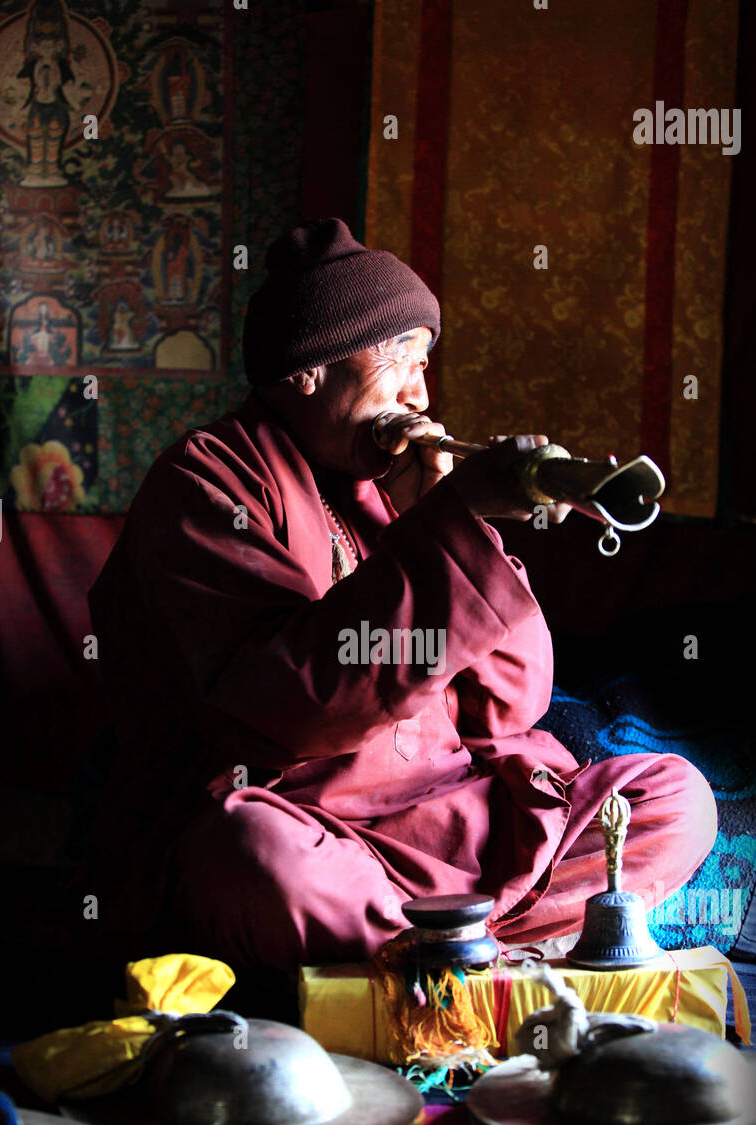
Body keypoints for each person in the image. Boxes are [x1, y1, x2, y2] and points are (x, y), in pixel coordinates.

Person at [86, 218, 717, 975]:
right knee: (250, 859)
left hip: (449, 816)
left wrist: (446, 525)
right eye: (403, 364)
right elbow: (296, 705)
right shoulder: (204, 484)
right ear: (309, 369)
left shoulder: (386, 491)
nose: (421, 395)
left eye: (426, 367)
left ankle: (436, 960)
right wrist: (445, 529)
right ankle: (461, 961)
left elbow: (516, 702)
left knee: (673, 799)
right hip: (315, 829)